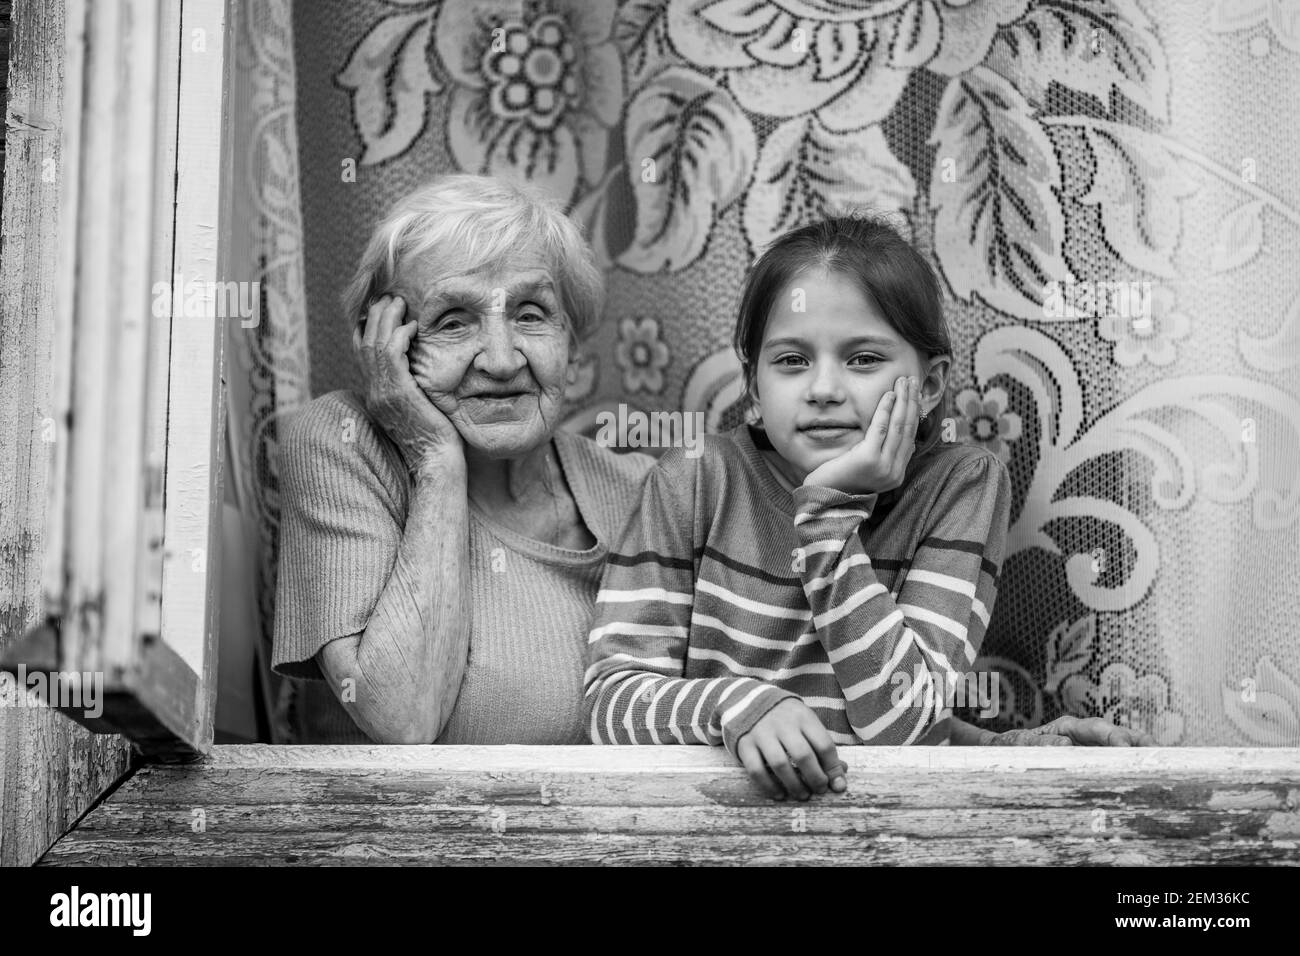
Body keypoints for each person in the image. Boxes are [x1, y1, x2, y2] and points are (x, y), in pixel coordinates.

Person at [582, 215, 1154, 800]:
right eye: (791, 361)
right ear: (753, 388)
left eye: (862, 360)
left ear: (929, 387)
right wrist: (741, 704)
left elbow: (898, 725)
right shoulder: (693, 481)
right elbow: (607, 707)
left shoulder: (960, 486)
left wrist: (827, 518)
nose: (824, 388)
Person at [272, 174, 653, 743]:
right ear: (386, 347)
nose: (500, 361)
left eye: (530, 314)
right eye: (453, 322)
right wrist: (434, 456)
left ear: (572, 347)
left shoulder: (646, 492)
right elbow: (404, 719)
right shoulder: (344, 445)